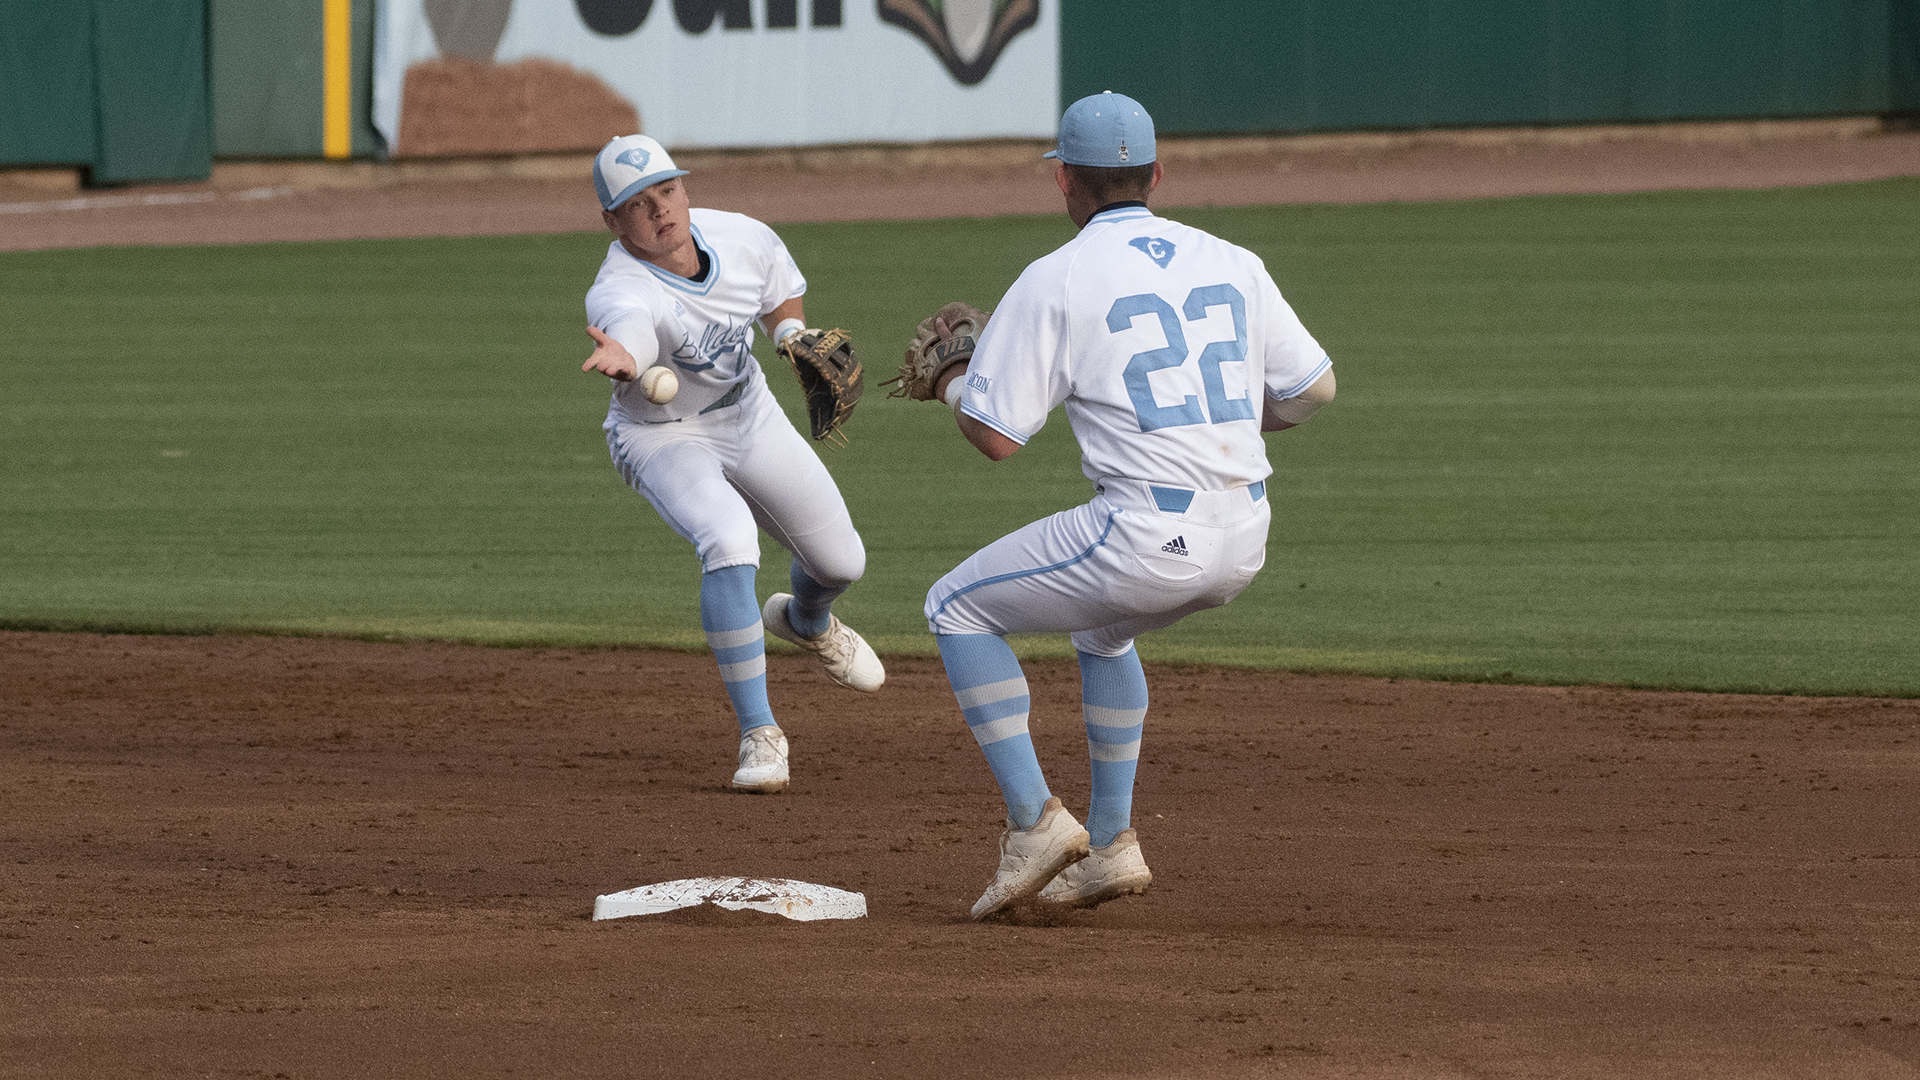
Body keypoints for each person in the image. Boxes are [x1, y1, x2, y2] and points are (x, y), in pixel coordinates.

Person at [917, 93, 1337, 919]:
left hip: (1146, 533)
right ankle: (1109, 847)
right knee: (1104, 632)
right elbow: (1313, 389)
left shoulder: (1058, 276)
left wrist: (950, 382)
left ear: (1064, 180)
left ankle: (1035, 822)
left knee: (955, 608)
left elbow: (997, 437)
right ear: (1155, 173)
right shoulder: (1232, 259)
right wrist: (1217, 421)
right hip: (1246, 533)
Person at [579, 134, 885, 794]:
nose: (659, 209)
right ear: (612, 221)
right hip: (662, 436)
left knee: (841, 564)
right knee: (728, 541)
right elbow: (628, 324)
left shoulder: (742, 237)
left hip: (748, 413)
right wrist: (628, 358)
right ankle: (761, 734)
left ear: (684, 190)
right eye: (637, 204)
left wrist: (790, 337)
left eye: (666, 191)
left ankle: (805, 621)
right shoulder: (620, 289)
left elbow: (778, 292)